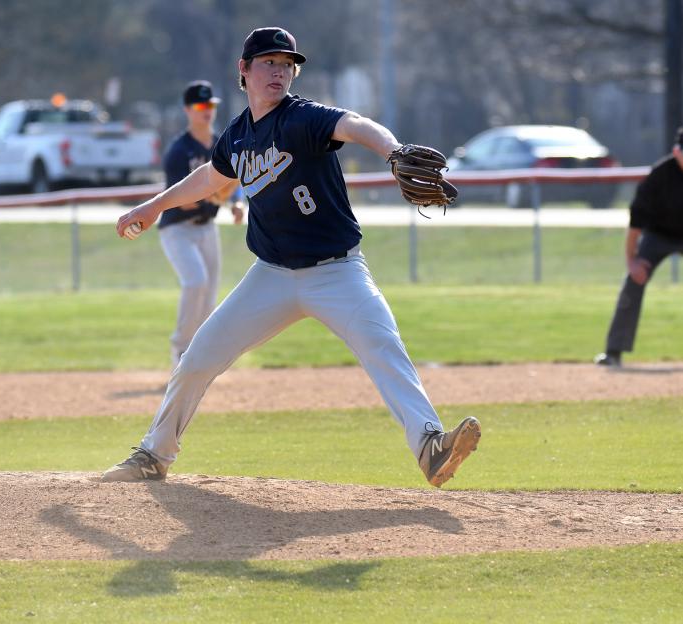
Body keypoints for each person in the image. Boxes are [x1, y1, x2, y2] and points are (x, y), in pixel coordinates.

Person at [103, 27, 481, 487]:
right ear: (243, 70)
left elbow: (356, 124)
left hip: (337, 272)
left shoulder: (303, 119)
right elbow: (210, 178)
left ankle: (430, 448)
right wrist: (152, 206)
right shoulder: (237, 136)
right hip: (271, 277)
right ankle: (153, 455)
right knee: (198, 357)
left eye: (286, 64)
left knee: (384, 349)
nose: (279, 71)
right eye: (268, 62)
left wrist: (394, 150)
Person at [595, 126, 683, 367]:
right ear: (676, 151)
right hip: (658, 235)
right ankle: (613, 352)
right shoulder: (659, 176)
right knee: (634, 280)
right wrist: (631, 261)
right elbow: (635, 225)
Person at [159, 80, 244, 368]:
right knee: (195, 282)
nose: (206, 110)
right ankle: (179, 351)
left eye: (210, 105)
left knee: (209, 297)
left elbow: (235, 182)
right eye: (200, 106)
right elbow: (179, 200)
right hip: (177, 229)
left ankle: (200, 357)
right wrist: (217, 195)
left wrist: (236, 203)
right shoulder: (178, 151)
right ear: (187, 110)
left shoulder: (222, 142)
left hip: (207, 228)